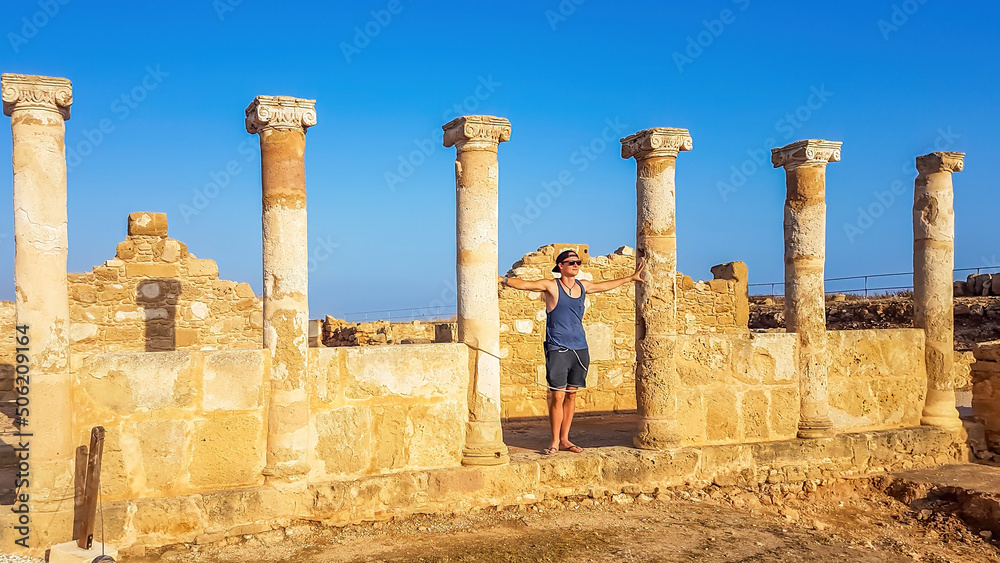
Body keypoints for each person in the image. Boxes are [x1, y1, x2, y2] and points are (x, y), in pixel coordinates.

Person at [500, 249, 644, 455]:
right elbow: (524, 285)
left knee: (571, 396)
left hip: (580, 348)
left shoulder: (582, 286)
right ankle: (554, 440)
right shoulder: (551, 286)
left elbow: (603, 286)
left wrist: (630, 278)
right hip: (558, 348)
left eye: (578, 262)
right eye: (572, 262)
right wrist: (502, 280)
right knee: (557, 396)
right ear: (561, 266)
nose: (576, 265)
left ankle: (565, 439)